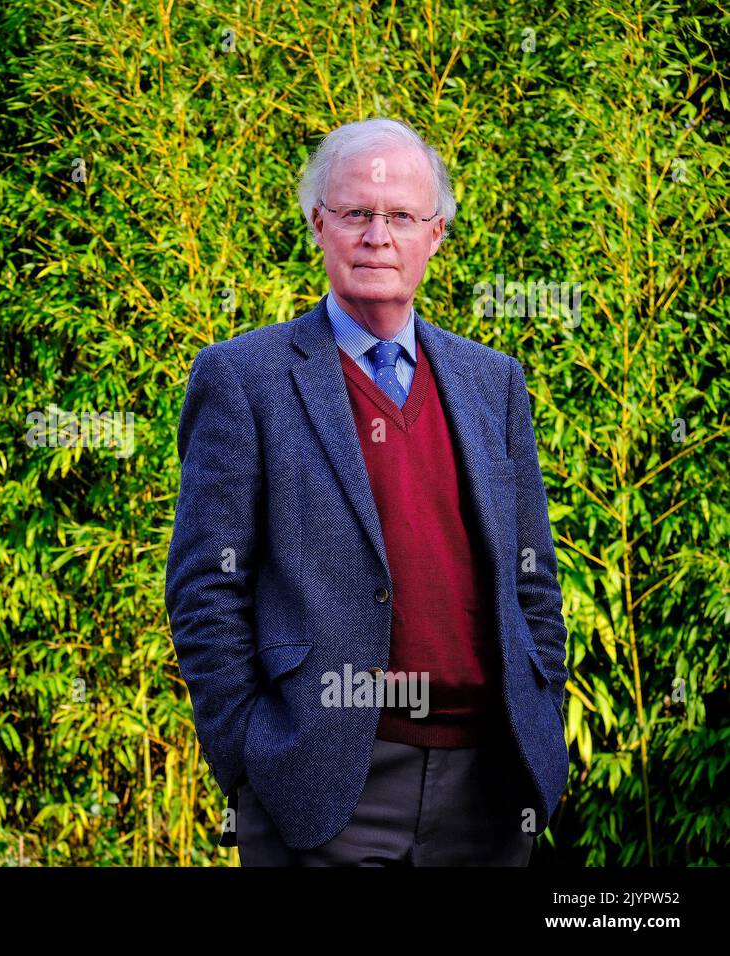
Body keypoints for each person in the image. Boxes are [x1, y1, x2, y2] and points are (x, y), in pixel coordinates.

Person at [164, 117, 569, 865]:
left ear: (436, 234)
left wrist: (546, 710)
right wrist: (253, 759)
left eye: (401, 217)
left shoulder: (493, 383)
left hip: (487, 780)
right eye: (354, 213)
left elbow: (533, 580)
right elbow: (204, 587)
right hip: (325, 783)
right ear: (318, 225)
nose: (377, 236)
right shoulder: (243, 378)